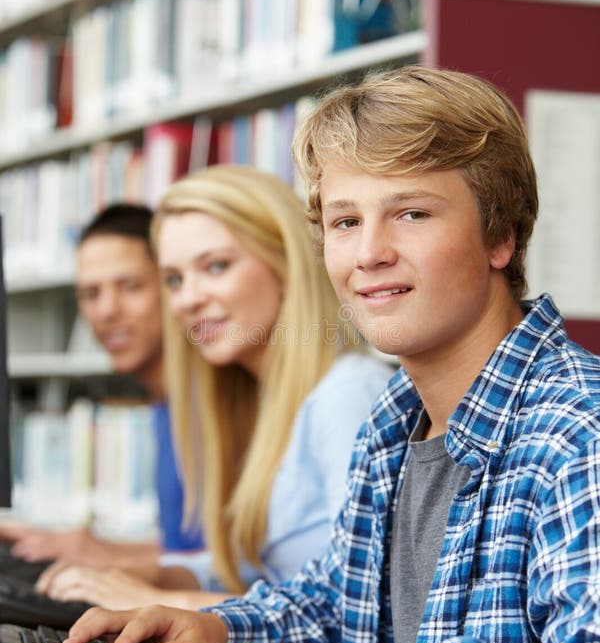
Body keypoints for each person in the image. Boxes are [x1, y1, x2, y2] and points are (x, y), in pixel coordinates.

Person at [65, 67, 600, 643]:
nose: (369, 252)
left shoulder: (576, 429)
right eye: (346, 221)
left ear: (499, 236)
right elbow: (338, 605)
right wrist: (216, 628)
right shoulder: (392, 423)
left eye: (411, 213)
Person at [39, 165, 393, 610]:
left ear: (285, 264)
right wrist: (165, 574)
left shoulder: (348, 396)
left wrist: (163, 601)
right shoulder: (263, 402)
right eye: (175, 279)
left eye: (216, 266)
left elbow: (364, 613)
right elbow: (264, 570)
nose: (187, 299)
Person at [0, 203, 203, 567]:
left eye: (130, 286)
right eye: (91, 294)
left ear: (175, 284)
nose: (107, 311)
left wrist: (108, 556)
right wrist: (83, 547)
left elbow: (242, 573)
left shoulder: (214, 410)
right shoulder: (164, 409)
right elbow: (192, 556)